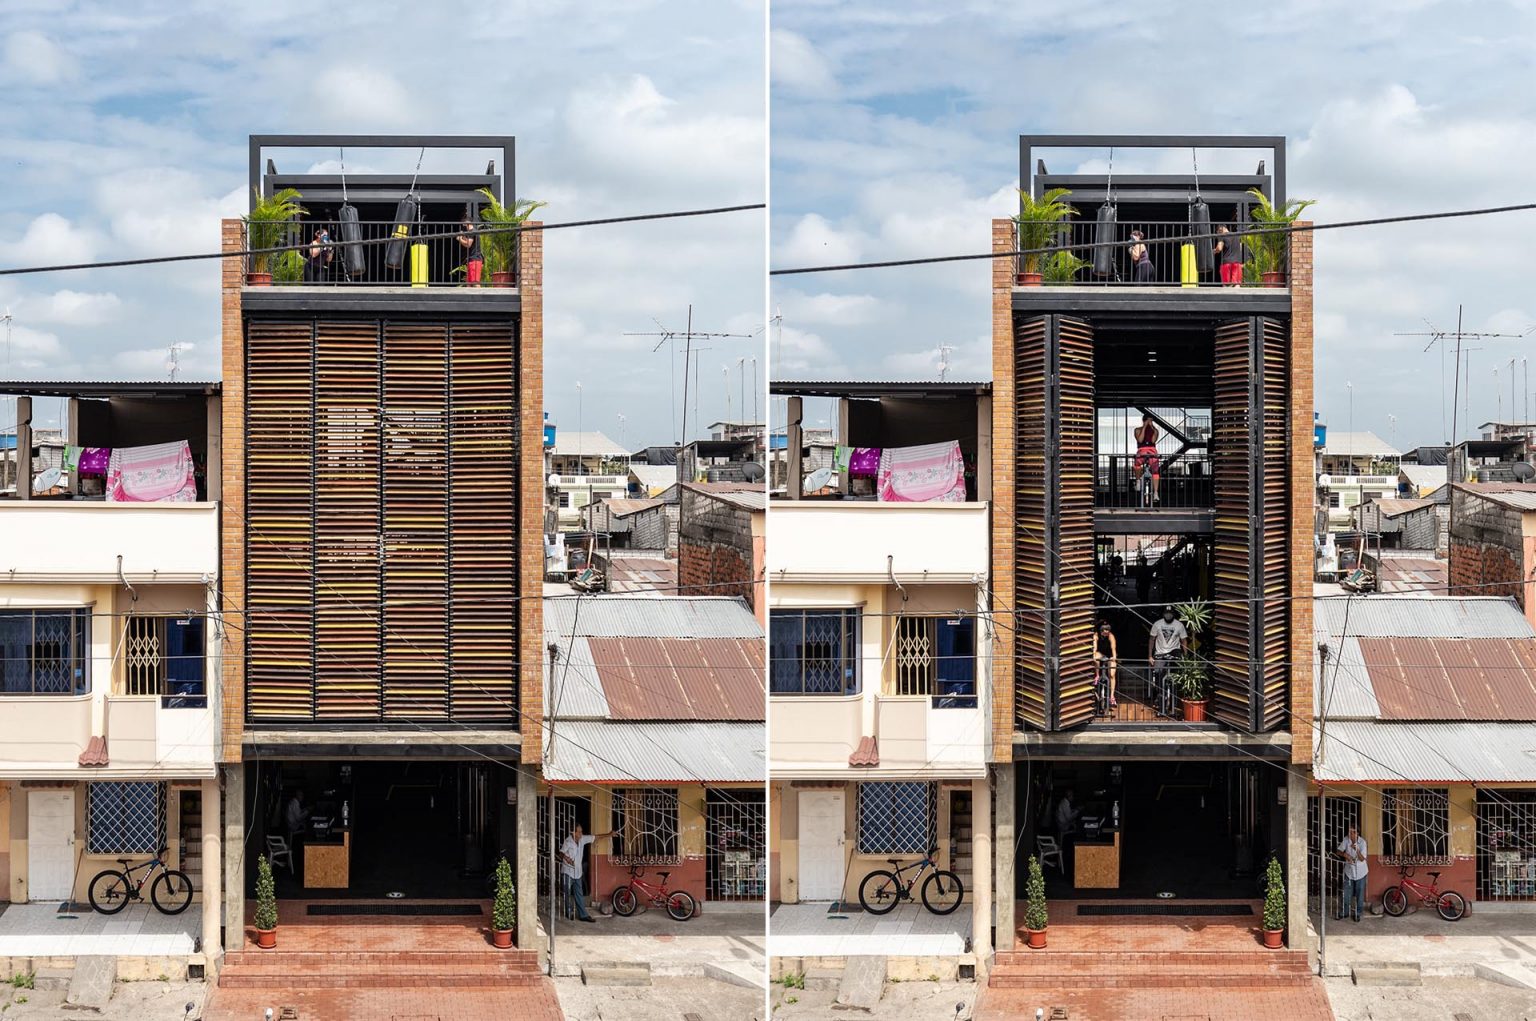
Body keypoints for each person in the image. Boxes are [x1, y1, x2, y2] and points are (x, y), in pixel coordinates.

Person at [559, 823, 614, 923]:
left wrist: (609, 834)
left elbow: (595, 837)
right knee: (567, 893)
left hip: (578, 872)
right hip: (568, 871)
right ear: (573, 832)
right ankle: (568, 912)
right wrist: (567, 858)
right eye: (579, 831)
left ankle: (583, 915)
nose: (581, 833)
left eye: (581, 831)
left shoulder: (582, 839)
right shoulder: (568, 841)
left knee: (579, 894)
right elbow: (561, 853)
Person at [1337, 824, 1368, 922]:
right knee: (1346, 893)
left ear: (1357, 833)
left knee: (1359, 894)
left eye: (1352, 832)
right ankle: (1345, 912)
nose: (1350, 834)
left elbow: (1362, 859)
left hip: (1361, 872)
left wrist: (1356, 850)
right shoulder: (1346, 840)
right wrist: (1345, 854)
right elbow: (1338, 851)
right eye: (1349, 831)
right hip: (1349, 871)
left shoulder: (1362, 842)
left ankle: (1357, 913)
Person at [1133, 414, 1161, 505]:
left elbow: (1153, 441)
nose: (1149, 423)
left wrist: (1152, 428)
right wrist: (1144, 427)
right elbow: (1140, 440)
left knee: (1155, 471)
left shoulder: (1155, 430)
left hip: (1152, 450)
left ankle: (1156, 492)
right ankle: (1138, 481)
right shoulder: (1137, 430)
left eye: (1151, 421)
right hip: (1142, 450)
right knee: (1137, 463)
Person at [1093, 619, 1119, 711]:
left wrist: (1114, 657)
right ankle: (1097, 675)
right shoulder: (1096, 636)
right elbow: (1094, 649)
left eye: (1108, 630)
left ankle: (1112, 696)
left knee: (1112, 674)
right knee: (1095, 657)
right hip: (1100, 654)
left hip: (1109, 656)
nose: (1106, 632)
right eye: (1104, 630)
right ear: (1101, 630)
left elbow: (1113, 649)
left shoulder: (1111, 636)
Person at [457, 217, 484, 284]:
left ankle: (478, 294)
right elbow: (469, 242)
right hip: (472, 260)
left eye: (464, 224)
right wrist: (462, 237)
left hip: (475, 260)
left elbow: (468, 244)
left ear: (467, 223)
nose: (464, 226)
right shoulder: (471, 232)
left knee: (475, 283)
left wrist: (460, 239)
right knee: (469, 283)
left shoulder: (472, 232)